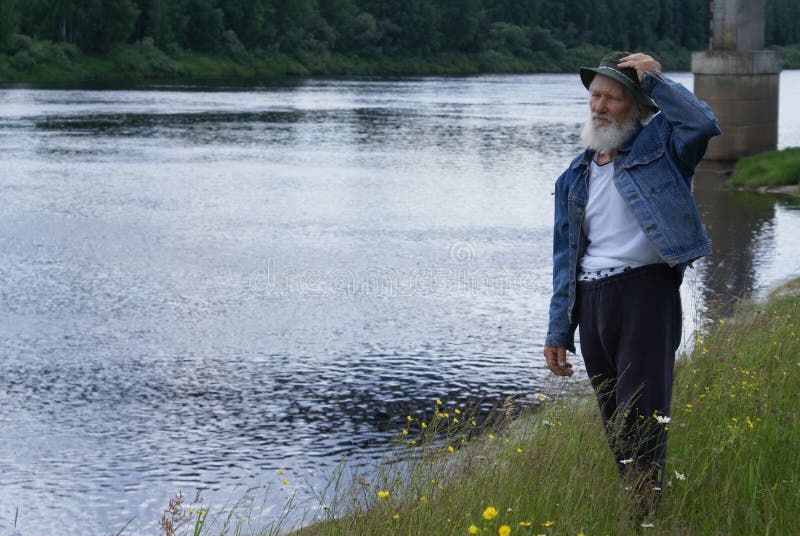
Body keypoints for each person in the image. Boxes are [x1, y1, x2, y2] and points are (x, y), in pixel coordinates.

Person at [543, 52, 720, 513]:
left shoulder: (662, 147)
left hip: (645, 292)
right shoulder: (573, 177)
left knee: (642, 413)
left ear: (638, 107)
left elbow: (701, 124)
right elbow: (565, 257)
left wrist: (657, 80)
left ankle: (644, 513)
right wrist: (558, 330)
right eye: (594, 96)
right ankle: (639, 505)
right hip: (592, 301)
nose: (598, 106)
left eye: (612, 98)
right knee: (614, 418)